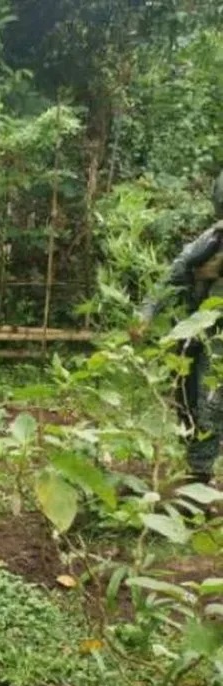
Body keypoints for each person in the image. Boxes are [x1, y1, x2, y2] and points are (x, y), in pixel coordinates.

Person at [136, 170, 223, 487]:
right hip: (208, 338)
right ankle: (198, 478)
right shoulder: (211, 241)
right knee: (201, 405)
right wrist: (145, 314)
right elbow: (168, 279)